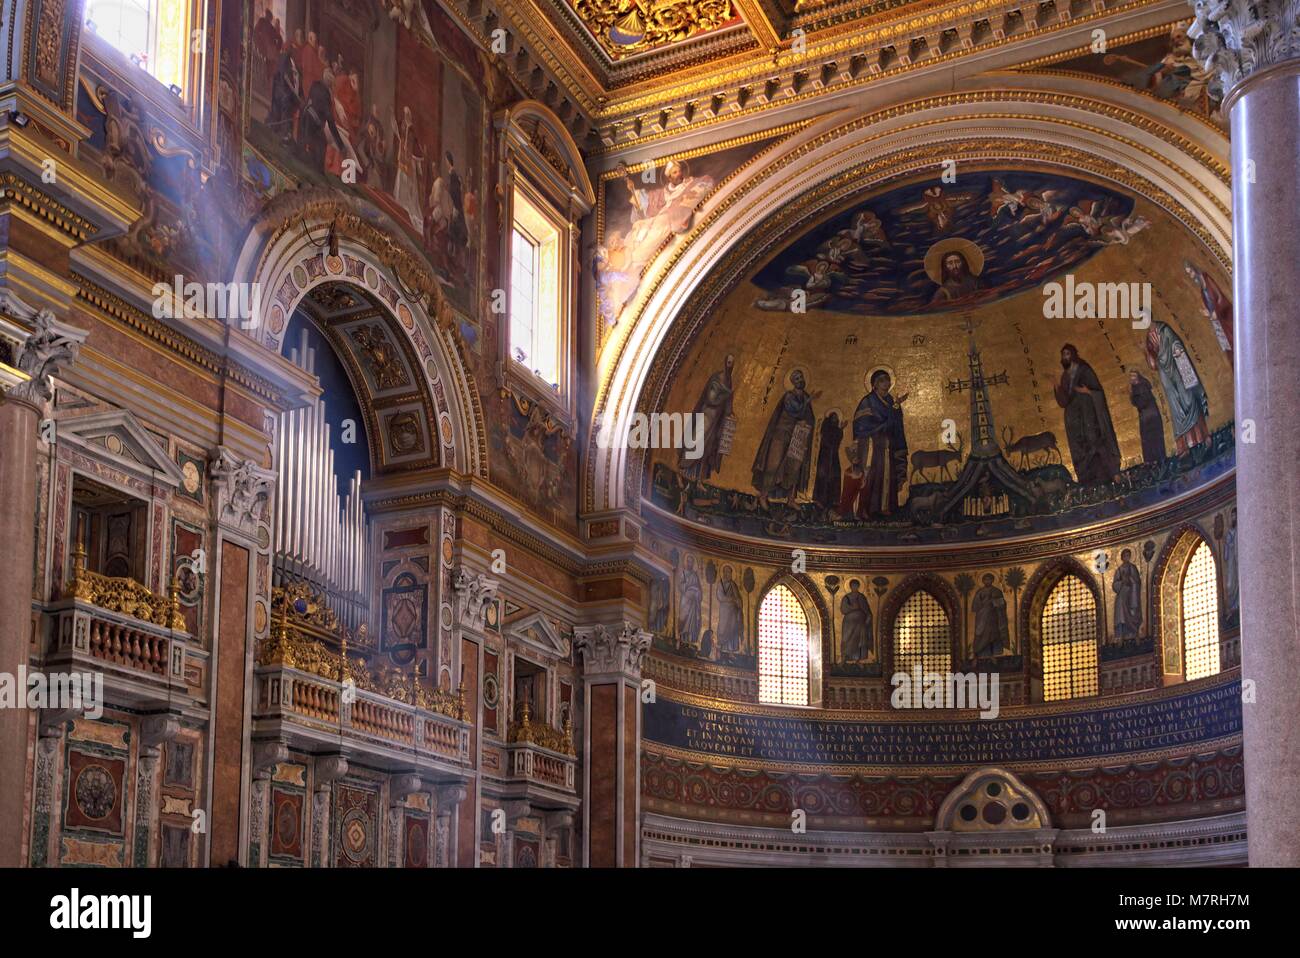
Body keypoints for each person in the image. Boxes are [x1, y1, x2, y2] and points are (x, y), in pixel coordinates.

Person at [1054, 344, 1121, 484]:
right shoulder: (1065, 377)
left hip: (1089, 415)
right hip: (1075, 420)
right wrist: (1057, 388)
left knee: (1095, 442)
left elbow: (1098, 392)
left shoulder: (1084, 370)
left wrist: (1088, 392)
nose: (1065, 357)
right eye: (1063, 355)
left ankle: (1108, 476)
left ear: (1073, 354)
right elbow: (1064, 401)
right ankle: (1088, 480)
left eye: (1067, 354)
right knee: (1081, 448)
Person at [751, 370, 818, 508]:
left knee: (795, 467)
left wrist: (806, 423)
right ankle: (763, 496)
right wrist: (808, 401)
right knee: (773, 464)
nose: (800, 380)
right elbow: (795, 410)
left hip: (797, 436)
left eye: (801, 377)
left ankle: (791, 499)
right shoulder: (789, 396)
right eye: (797, 378)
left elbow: (808, 416)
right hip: (781, 434)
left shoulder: (805, 396)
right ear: (793, 382)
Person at [1145, 321, 1210, 455]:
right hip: (1165, 374)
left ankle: (1202, 436)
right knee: (1176, 408)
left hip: (1177, 366)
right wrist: (1147, 353)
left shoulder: (1164, 329)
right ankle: (1185, 446)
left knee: (1188, 398)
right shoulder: (1148, 338)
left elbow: (1175, 343)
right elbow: (1153, 365)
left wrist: (1174, 351)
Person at [852, 370, 908, 517]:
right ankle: (867, 509)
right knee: (872, 476)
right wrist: (881, 426)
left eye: (888, 380)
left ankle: (885, 507)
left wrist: (896, 409)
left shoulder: (890, 401)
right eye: (883, 380)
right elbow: (860, 425)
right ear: (875, 384)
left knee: (888, 476)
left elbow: (896, 425)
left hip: (888, 447)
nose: (887, 383)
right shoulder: (868, 401)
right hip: (872, 447)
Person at [680, 355, 735, 483]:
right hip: (707, 416)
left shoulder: (729, 380)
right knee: (696, 443)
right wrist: (726, 394)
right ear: (724, 362)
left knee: (708, 449)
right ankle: (684, 472)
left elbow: (727, 403)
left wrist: (730, 412)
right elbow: (711, 399)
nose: (729, 366)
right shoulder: (717, 379)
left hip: (715, 421)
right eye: (728, 362)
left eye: (732, 363)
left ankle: (699, 479)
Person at [1129, 370, 1165, 464]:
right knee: (1148, 440)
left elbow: (1142, 402)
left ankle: (1157, 459)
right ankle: (1152, 461)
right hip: (1146, 417)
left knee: (1153, 439)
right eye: (1131, 376)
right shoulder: (1136, 388)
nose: (1132, 378)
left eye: (1133, 376)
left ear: (1138, 377)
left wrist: (1133, 398)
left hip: (1150, 417)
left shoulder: (1142, 386)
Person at [971, 574, 1010, 658]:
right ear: (982, 581)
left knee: (994, 634)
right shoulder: (980, 592)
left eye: (989, 579)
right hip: (982, 618)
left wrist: (994, 602)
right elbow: (975, 606)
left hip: (994, 617)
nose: (987, 581)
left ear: (992, 580)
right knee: (982, 634)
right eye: (985, 579)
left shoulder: (997, 591)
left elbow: (1002, 604)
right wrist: (984, 605)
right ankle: (982, 653)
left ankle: (996, 652)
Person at [812, 411, 843, 512]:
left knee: (834, 476)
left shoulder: (836, 429)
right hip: (825, 457)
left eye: (836, 418)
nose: (835, 419)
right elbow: (828, 440)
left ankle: (832, 500)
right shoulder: (826, 428)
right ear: (830, 418)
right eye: (833, 417)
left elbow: (837, 442)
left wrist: (840, 429)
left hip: (833, 457)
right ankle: (820, 500)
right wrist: (840, 429)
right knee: (823, 477)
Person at [839, 580, 873, 661]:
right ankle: (844, 658)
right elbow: (843, 609)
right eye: (853, 585)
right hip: (849, 622)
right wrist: (853, 608)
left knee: (860, 639)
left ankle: (858, 660)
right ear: (850, 586)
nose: (855, 587)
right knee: (847, 638)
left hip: (860, 622)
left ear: (858, 586)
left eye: (856, 585)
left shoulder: (861, 597)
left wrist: (868, 617)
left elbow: (866, 609)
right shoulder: (846, 597)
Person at [1112, 549, 1142, 640]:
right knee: (1120, 610)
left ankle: (1133, 633)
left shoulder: (1133, 567)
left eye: (1128, 555)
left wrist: (1130, 579)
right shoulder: (1119, 570)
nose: (1126, 557)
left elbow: (1137, 581)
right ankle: (1121, 635)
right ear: (1122, 557)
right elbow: (1115, 584)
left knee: (1132, 611)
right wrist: (1121, 582)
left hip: (1132, 593)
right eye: (1125, 556)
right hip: (1122, 593)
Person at [716, 566, 744, 654]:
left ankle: (732, 651)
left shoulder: (733, 584)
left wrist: (739, 601)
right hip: (725, 611)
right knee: (724, 628)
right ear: (723, 573)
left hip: (733, 613)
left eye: (729, 572)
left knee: (733, 628)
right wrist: (732, 599)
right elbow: (720, 597)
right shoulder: (721, 584)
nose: (728, 574)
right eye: (726, 572)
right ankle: (723, 649)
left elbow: (738, 597)